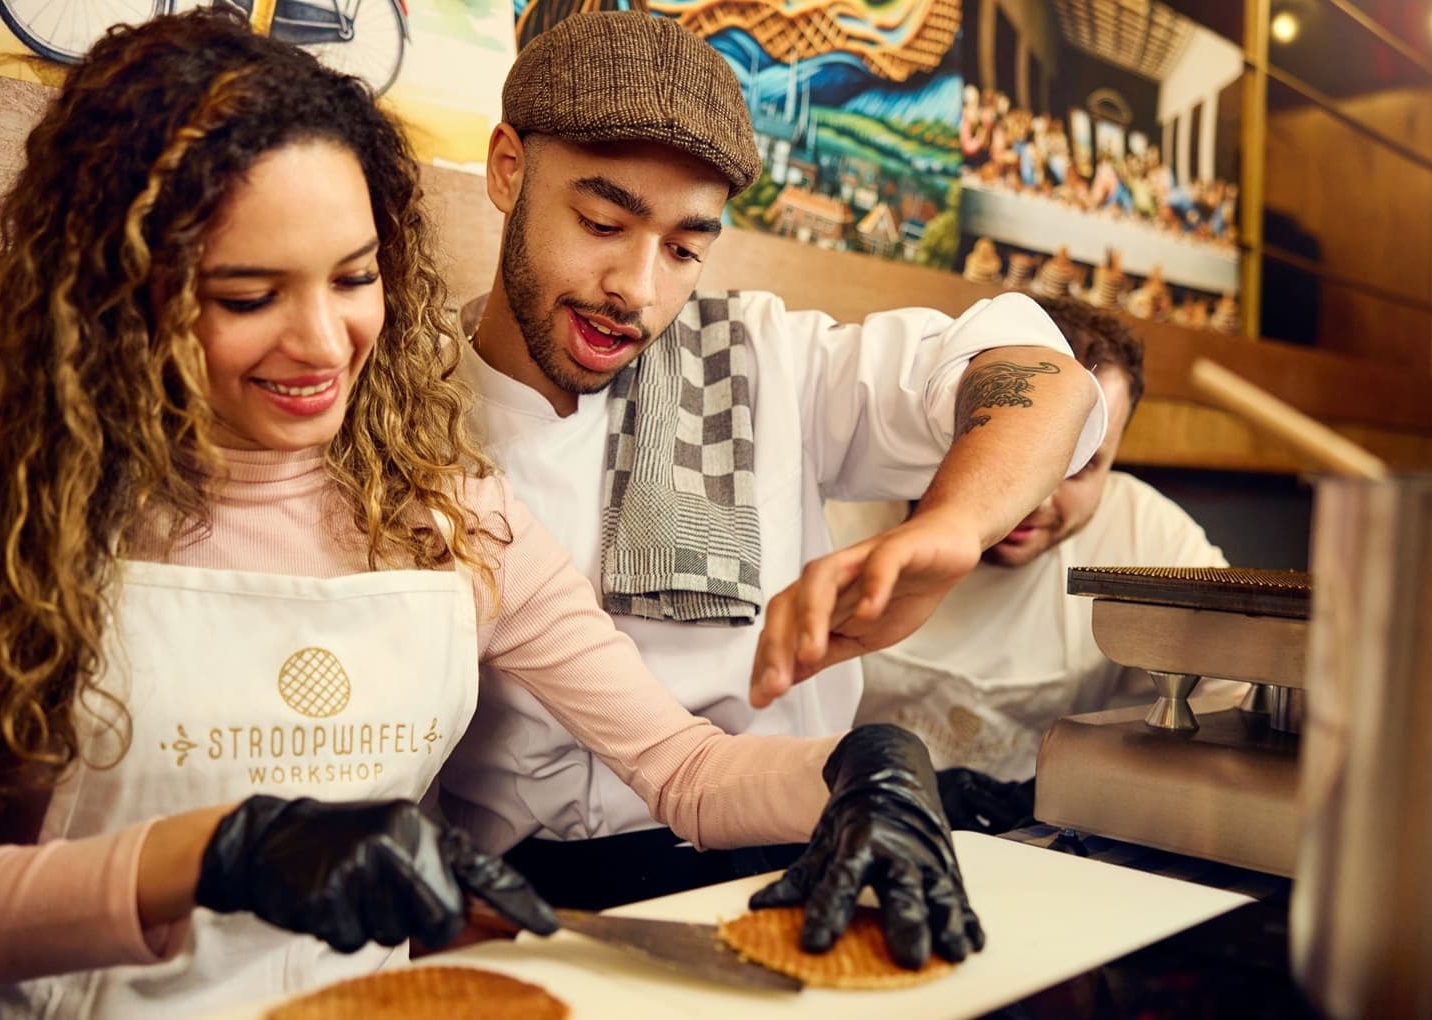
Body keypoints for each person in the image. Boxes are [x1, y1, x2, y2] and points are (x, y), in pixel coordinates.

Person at [0, 11, 981, 1017]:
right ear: (118, 291)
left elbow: (681, 765)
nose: (325, 346)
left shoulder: (449, 503)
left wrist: (861, 771)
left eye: (354, 276)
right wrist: (210, 858)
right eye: (247, 294)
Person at [441, 10, 1106, 908]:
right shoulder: (401, 413)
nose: (637, 292)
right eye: (603, 223)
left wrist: (955, 524)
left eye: (684, 248)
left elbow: (1038, 372)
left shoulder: (765, 362)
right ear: (508, 169)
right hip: (495, 898)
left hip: (772, 863)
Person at [828, 296, 1228, 799]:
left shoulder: (1146, 533)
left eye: (1080, 466)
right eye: (1019, 456)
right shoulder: (847, 509)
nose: (1036, 498)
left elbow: (1236, 687)